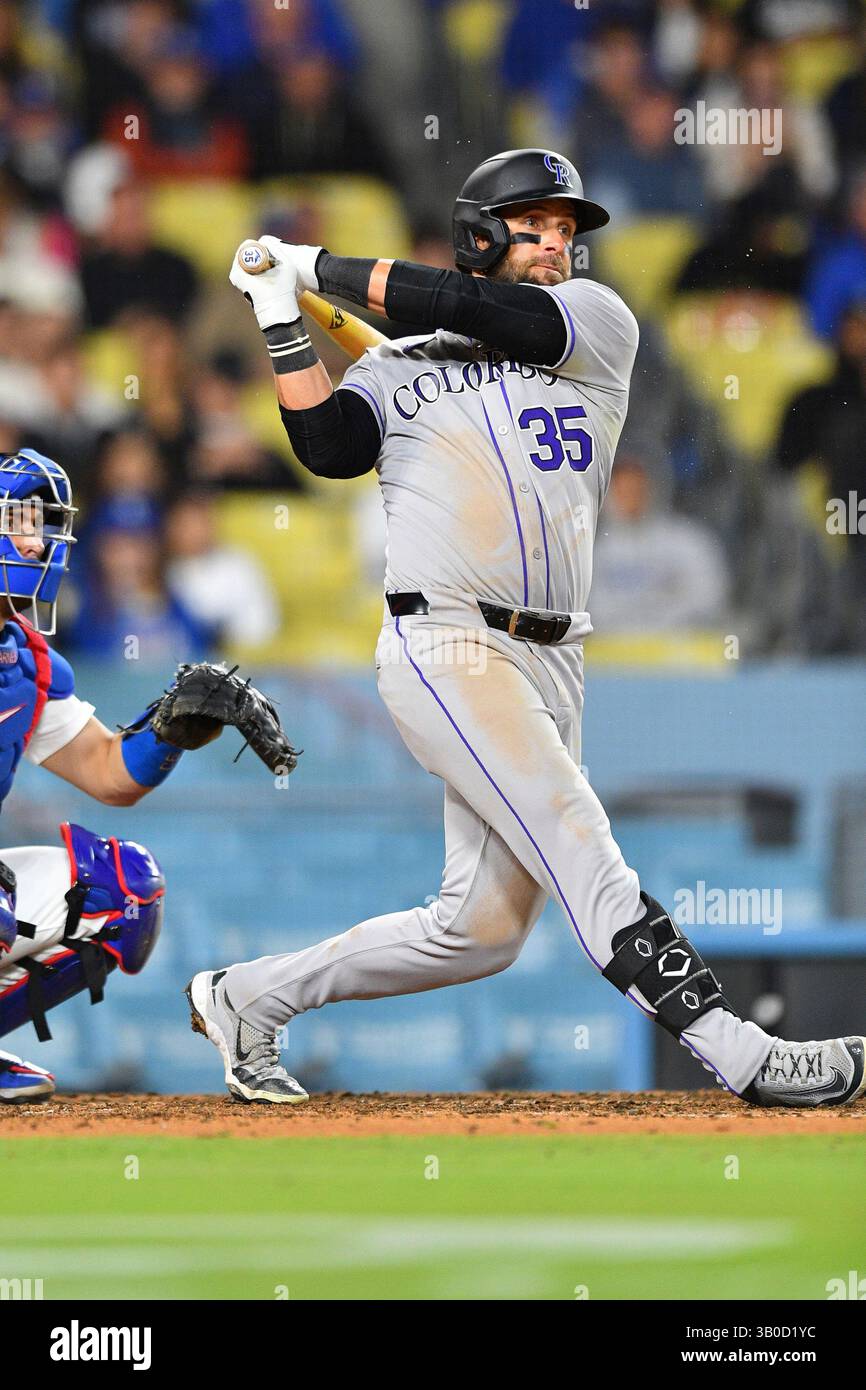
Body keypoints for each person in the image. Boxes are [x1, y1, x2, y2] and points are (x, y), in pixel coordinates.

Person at [186, 149, 864, 1109]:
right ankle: (741, 1050)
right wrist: (278, 315)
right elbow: (328, 446)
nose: (556, 243)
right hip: (447, 643)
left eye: (565, 229)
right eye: (533, 224)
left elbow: (475, 312)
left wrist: (320, 267)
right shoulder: (397, 366)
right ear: (479, 234)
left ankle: (246, 998)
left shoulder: (594, 323)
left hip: (557, 654)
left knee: (480, 932)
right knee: (577, 835)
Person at [0, 448, 243, 1101]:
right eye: (19, 519)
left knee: (123, 893)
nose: (39, 539)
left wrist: (168, 727)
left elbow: (111, 775)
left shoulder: (27, 661)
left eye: (42, 521)